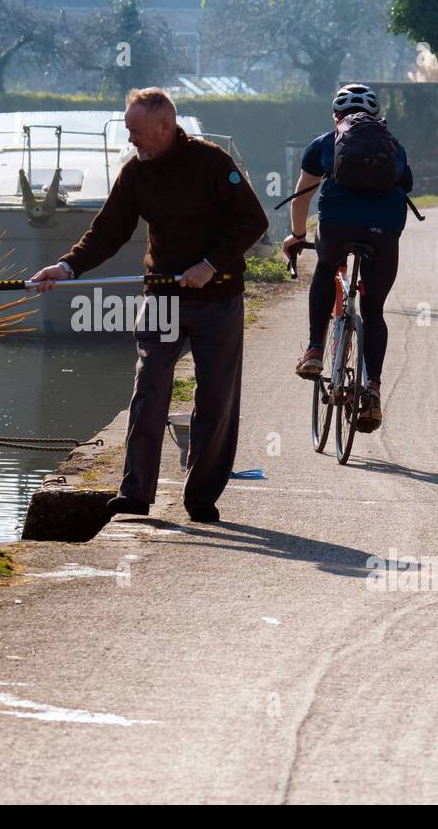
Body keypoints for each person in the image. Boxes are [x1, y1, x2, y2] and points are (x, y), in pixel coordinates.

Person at [30, 88, 269, 523]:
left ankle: (200, 497)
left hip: (218, 297)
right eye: (128, 131)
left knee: (215, 396)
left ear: (164, 127)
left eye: (136, 132)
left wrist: (211, 264)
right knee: (149, 387)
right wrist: (66, 267)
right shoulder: (135, 174)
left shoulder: (213, 163)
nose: (131, 140)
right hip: (162, 295)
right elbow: (108, 232)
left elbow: (254, 221)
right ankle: (136, 493)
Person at [286, 83, 414, 433]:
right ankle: (372, 387)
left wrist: (297, 236)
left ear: (335, 116)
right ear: (376, 116)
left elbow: (301, 198)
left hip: (337, 225)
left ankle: (314, 350)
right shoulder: (394, 145)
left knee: (327, 268)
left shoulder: (324, 143)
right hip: (384, 230)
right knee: (373, 311)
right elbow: (406, 184)